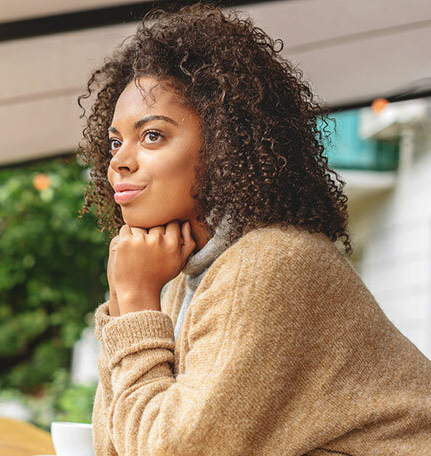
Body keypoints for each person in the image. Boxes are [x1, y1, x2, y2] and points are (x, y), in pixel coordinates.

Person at [76, 4, 431, 455]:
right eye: (114, 141)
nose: (117, 163)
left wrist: (137, 301)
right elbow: (117, 445)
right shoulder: (179, 286)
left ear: (223, 144)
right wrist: (125, 298)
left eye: (152, 136)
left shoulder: (269, 263)